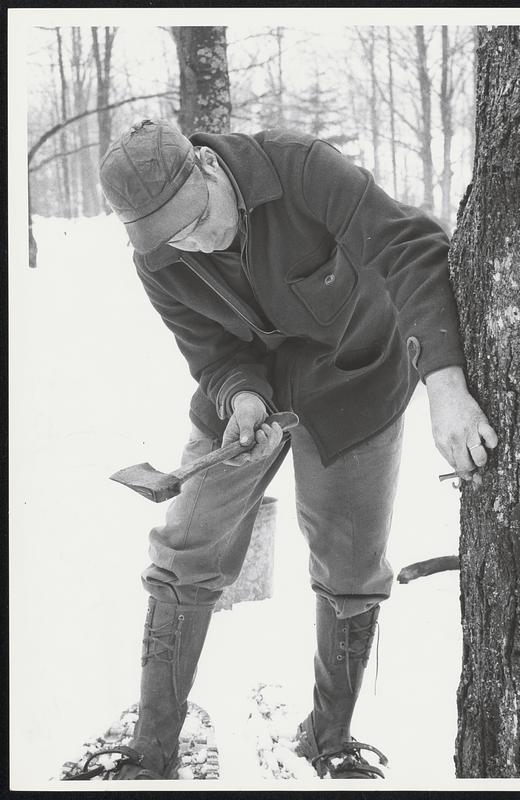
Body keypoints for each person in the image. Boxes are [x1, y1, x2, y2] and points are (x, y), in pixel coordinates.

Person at [97, 119, 498, 780]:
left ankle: (329, 736)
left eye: (198, 220)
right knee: (186, 546)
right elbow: (213, 351)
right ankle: (151, 746)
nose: (196, 243)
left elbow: (411, 246)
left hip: (358, 381)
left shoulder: (300, 167)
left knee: (350, 559)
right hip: (249, 402)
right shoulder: (159, 259)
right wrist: (241, 396)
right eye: (175, 239)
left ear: (206, 165)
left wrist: (446, 383)